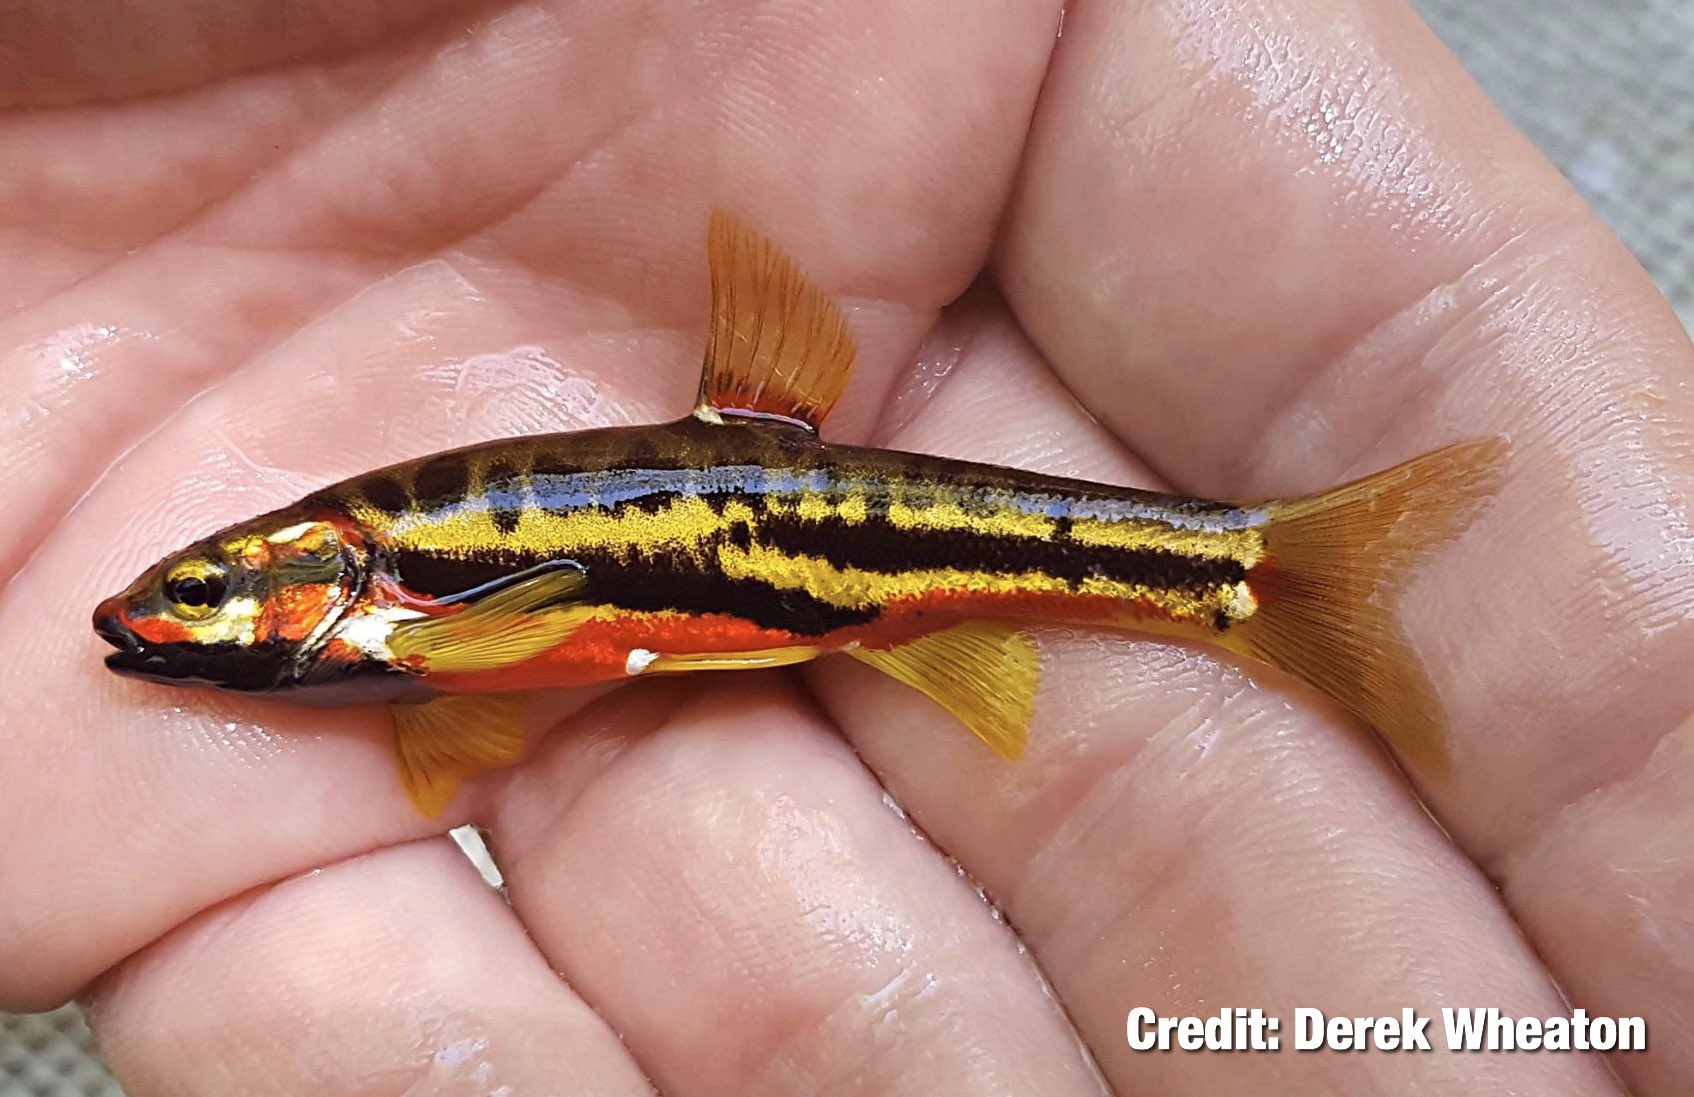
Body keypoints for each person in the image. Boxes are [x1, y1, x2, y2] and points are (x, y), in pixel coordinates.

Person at [0, 1, 1688, 1094]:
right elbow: (489, 681)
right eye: (197, 592)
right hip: (818, 562)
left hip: (829, 561)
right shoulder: (408, 615)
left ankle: (1239, 572)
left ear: (318, 579)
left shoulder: (411, 616)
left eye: (209, 586)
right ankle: (1229, 572)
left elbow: (483, 676)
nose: (176, 611)